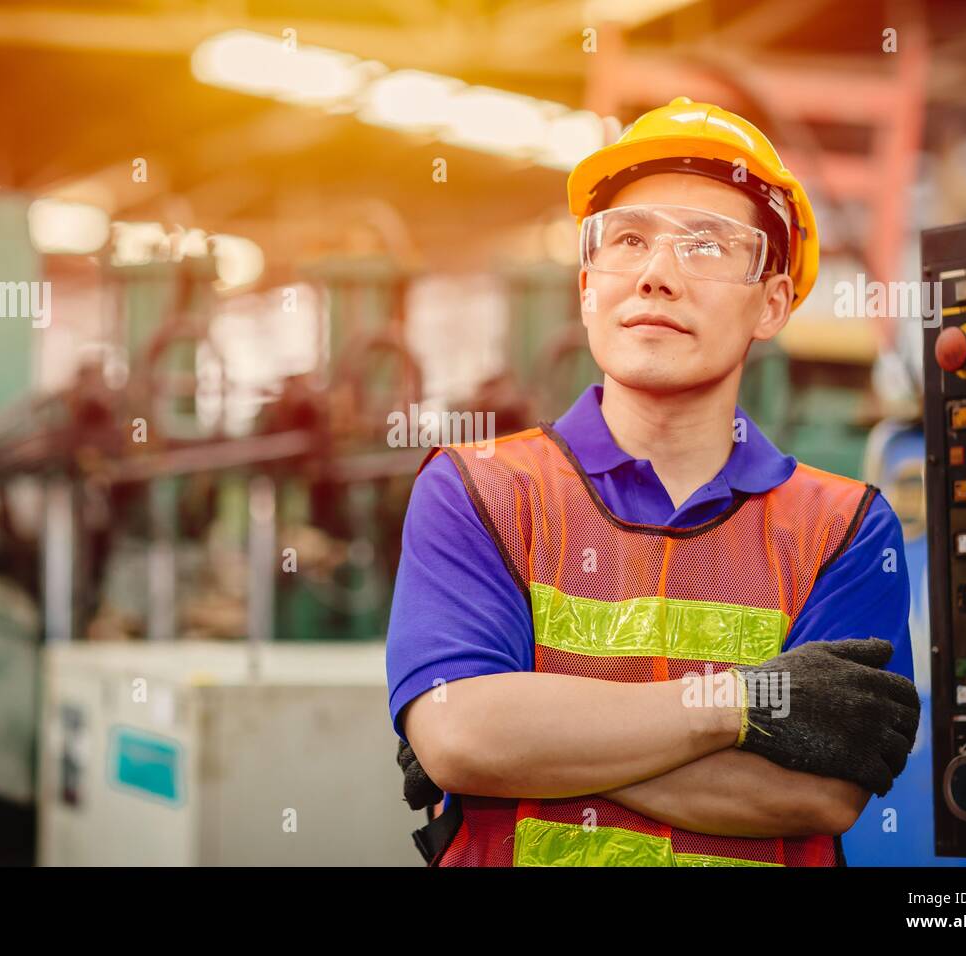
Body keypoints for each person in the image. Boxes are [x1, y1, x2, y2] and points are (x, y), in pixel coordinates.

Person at [386, 96, 920, 867]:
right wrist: (741, 703)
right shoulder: (477, 490)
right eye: (628, 241)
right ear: (586, 288)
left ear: (771, 302)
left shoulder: (846, 528)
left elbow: (823, 796)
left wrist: (530, 746)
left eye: (706, 246)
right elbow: (462, 736)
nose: (656, 276)